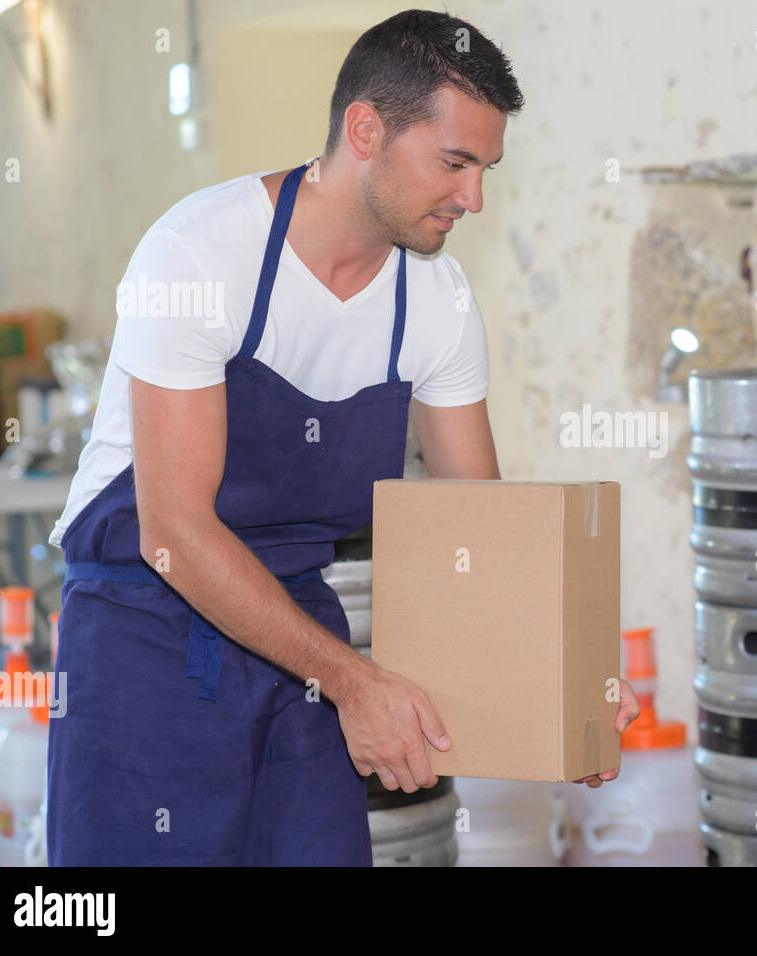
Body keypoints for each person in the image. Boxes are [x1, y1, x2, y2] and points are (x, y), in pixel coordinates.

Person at [45, 10, 638, 866]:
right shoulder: (198, 257)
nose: (474, 198)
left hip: (299, 647)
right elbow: (172, 531)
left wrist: (568, 676)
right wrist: (354, 680)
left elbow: (479, 526)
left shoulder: (435, 298)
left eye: (487, 168)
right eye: (455, 162)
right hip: (145, 637)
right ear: (365, 129)